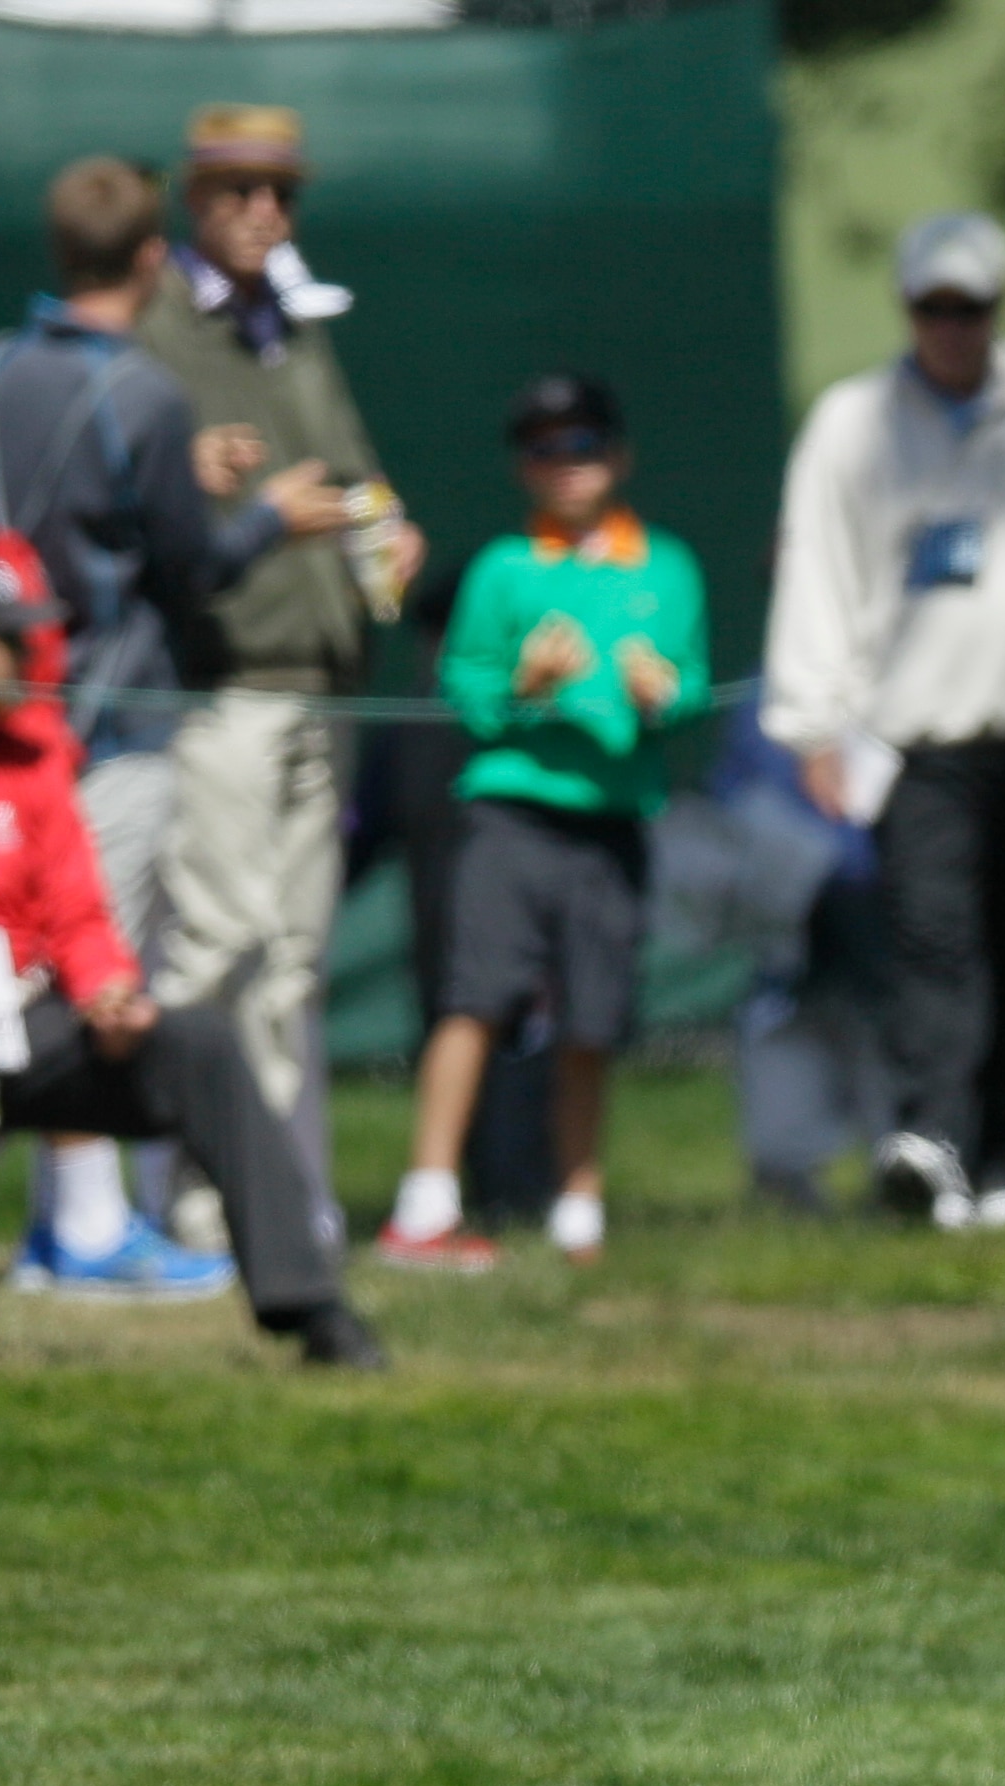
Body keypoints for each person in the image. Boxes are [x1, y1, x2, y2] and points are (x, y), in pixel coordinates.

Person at [0, 556, 384, 1370]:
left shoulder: (36, 753)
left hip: (13, 1014)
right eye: (11, 645)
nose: (34, 662)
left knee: (199, 1043)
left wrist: (109, 991)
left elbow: (78, 914)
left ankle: (311, 1308)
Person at [0, 152, 282, 1305]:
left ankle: (56, 1224)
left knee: (15, 961)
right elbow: (191, 565)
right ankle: (84, 1230)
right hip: (108, 730)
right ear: (149, 260)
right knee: (87, 973)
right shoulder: (144, 391)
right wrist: (271, 514)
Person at [763, 211, 1005, 1233]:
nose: (953, 328)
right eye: (935, 308)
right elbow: (819, 570)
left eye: (972, 308)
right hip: (920, 735)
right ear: (909, 309)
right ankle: (930, 1141)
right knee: (933, 948)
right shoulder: (854, 423)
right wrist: (814, 720)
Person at [138, 104, 420, 1250]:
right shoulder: (158, 330)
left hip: (323, 675)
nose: (263, 213)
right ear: (193, 199)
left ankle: (278, 1197)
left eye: (281, 193)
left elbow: (353, 474)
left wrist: (387, 525)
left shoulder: (292, 324)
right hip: (221, 681)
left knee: (294, 963)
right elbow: (147, 505)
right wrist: (254, 513)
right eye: (239, 191)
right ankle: (194, 1199)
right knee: (212, 950)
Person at [390, 370, 707, 1271]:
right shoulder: (500, 569)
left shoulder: (669, 566)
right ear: (524, 467)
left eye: (583, 446)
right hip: (509, 816)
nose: (567, 466)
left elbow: (686, 688)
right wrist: (524, 691)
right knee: (473, 997)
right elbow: (470, 694)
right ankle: (427, 1197)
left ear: (617, 455)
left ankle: (579, 1202)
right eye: (544, 450)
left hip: (610, 816)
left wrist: (663, 697)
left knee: (593, 1017)